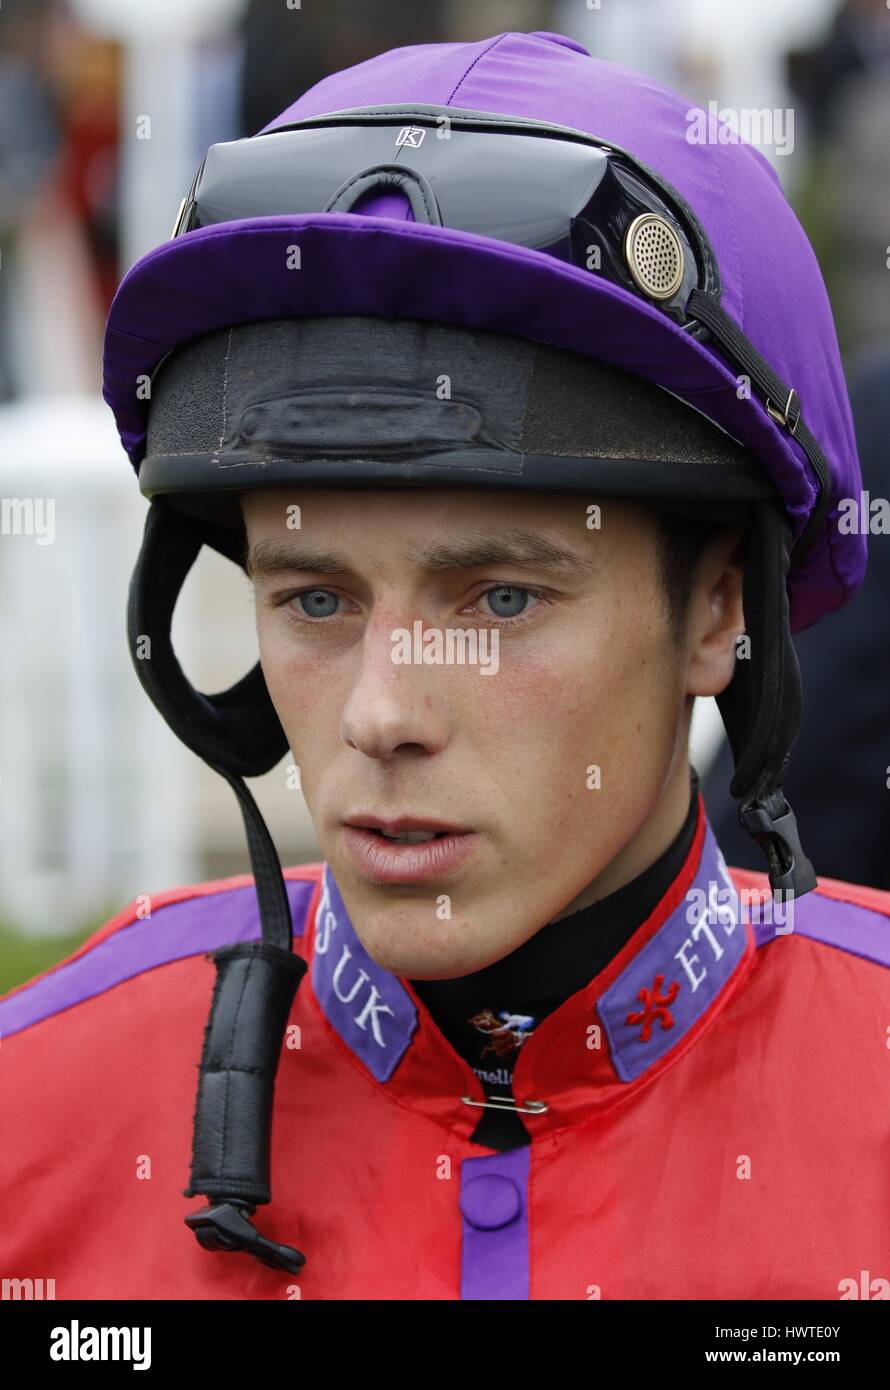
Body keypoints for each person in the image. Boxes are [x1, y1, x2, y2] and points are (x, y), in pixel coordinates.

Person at [2, 30, 888, 1302]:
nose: (379, 713)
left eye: (502, 596)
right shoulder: (29, 1116)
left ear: (716, 612)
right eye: (314, 597)